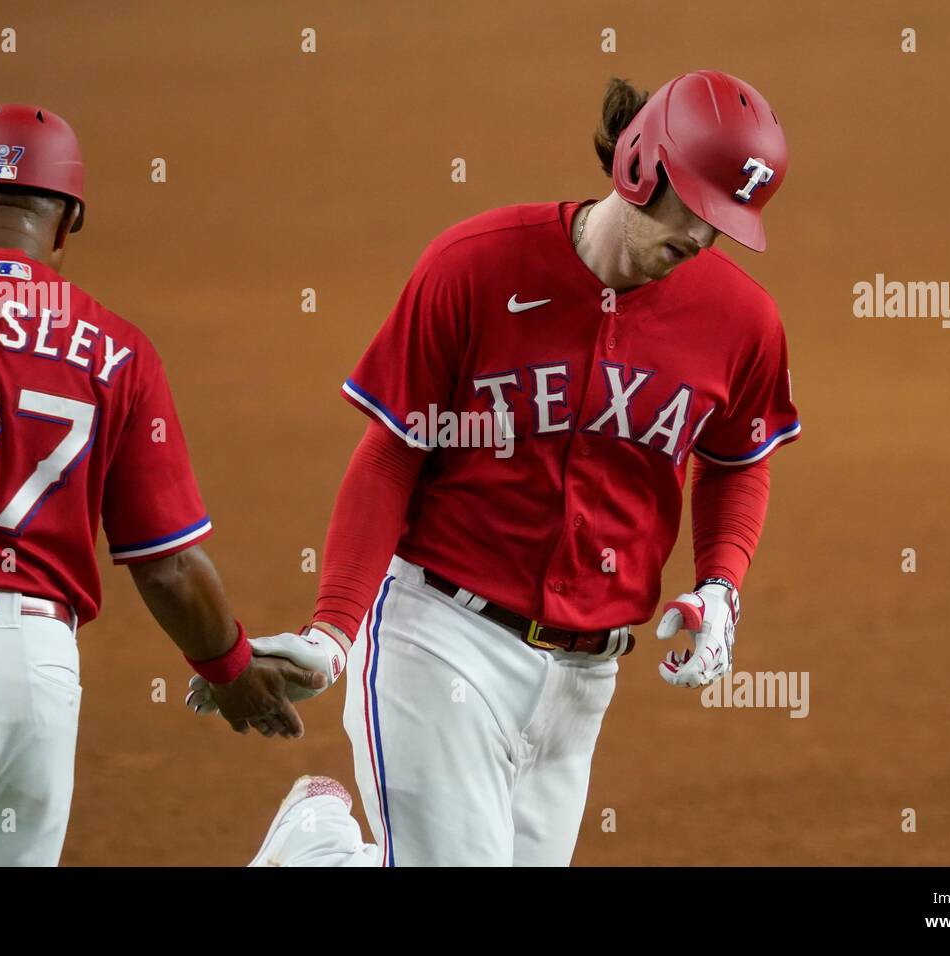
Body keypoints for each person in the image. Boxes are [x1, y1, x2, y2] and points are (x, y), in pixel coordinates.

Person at [218, 70, 801, 867]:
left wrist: (721, 587)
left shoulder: (742, 322)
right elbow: (393, 451)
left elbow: (735, 460)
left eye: (726, 222)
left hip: (584, 681)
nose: (702, 238)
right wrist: (333, 630)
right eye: (695, 208)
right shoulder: (477, 267)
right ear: (640, 165)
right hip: (441, 641)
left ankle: (316, 856)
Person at [0, 104, 321, 867]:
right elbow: (169, 562)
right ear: (67, 223)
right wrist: (232, 668)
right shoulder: (118, 348)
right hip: (39, 674)